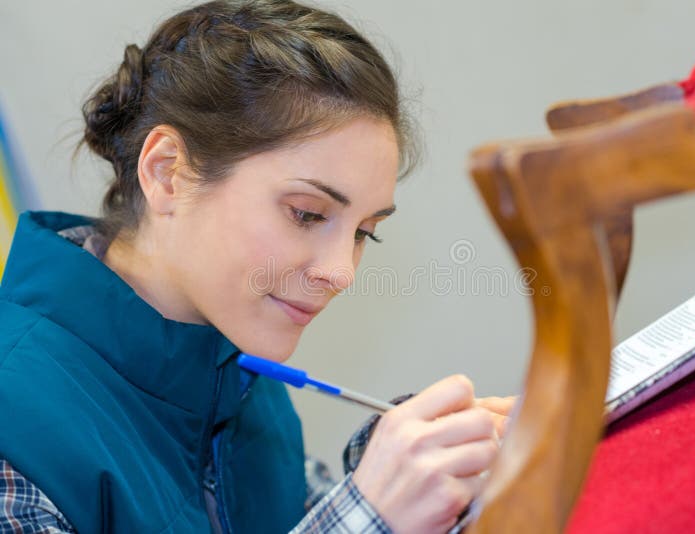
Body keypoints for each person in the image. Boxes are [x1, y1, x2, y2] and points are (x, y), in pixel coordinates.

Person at [0, 1, 514, 533]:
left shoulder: (235, 357)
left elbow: (306, 517)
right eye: (307, 214)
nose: (341, 274)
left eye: (365, 233)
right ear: (167, 172)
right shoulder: (11, 417)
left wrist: (430, 471)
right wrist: (371, 515)